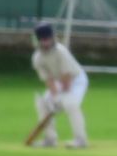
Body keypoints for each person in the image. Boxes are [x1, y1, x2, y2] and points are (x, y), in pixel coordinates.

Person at [26, 21, 89, 149]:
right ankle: (50, 139)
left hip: (76, 80)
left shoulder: (61, 52)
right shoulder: (37, 58)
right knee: (42, 102)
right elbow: (48, 80)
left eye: (48, 38)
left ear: (53, 37)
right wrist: (54, 97)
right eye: (43, 39)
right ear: (38, 40)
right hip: (58, 82)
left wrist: (59, 99)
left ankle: (81, 140)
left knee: (70, 103)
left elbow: (67, 78)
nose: (47, 42)